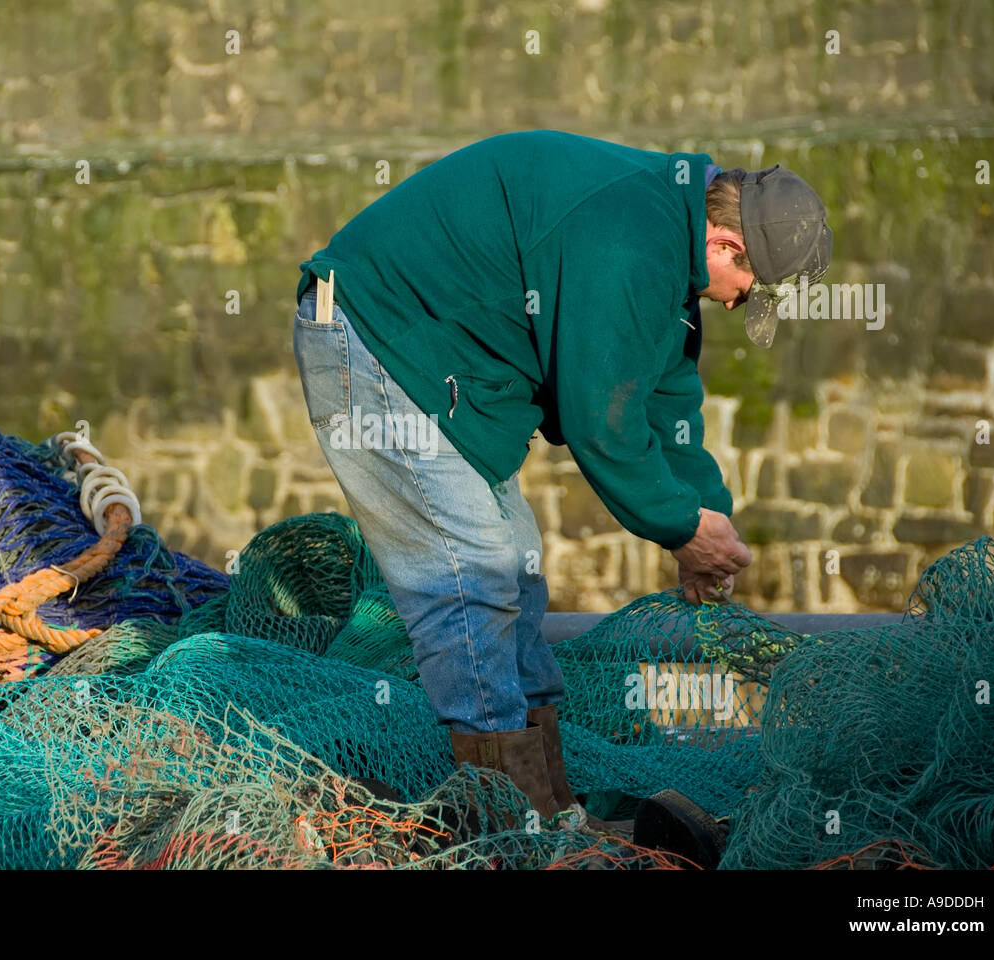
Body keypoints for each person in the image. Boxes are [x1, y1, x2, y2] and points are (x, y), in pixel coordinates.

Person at [291, 129, 832, 837]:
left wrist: (708, 518)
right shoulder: (628, 242)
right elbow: (601, 419)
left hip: (437, 366)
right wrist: (678, 527)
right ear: (728, 246)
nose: (737, 305)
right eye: (748, 290)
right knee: (473, 578)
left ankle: (551, 812)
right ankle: (511, 832)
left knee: (518, 572)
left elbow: (665, 397)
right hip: (372, 339)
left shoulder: (665, 230)